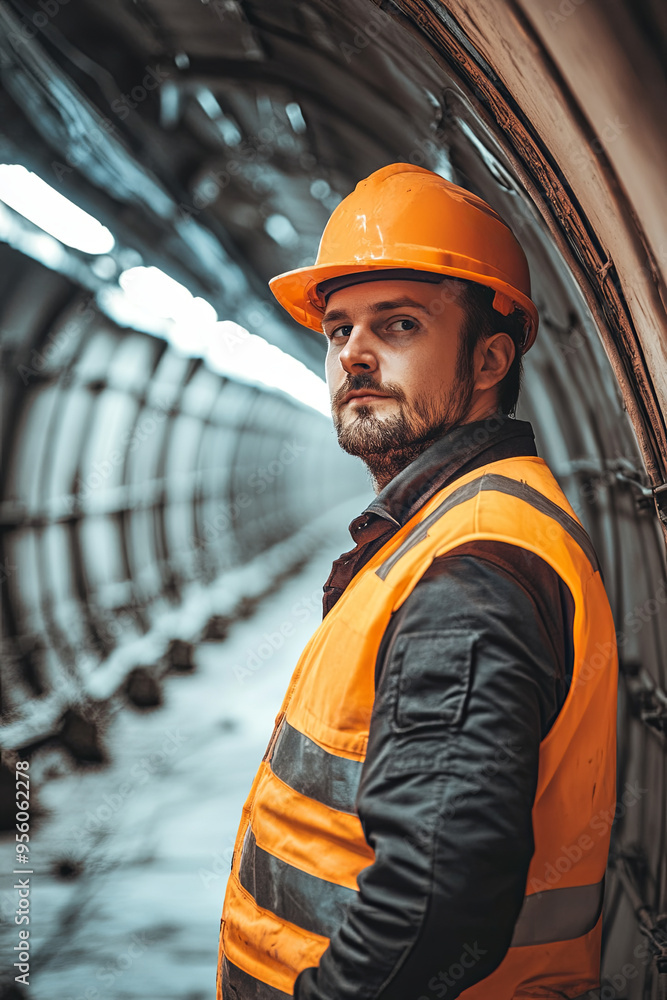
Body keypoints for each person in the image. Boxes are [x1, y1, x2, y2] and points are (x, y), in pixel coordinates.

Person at [216, 163, 618, 1000]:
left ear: (487, 360)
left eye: (397, 325)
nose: (354, 355)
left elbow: (437, 904)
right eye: (336, 332)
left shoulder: (471, 568)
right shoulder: (441, 529)